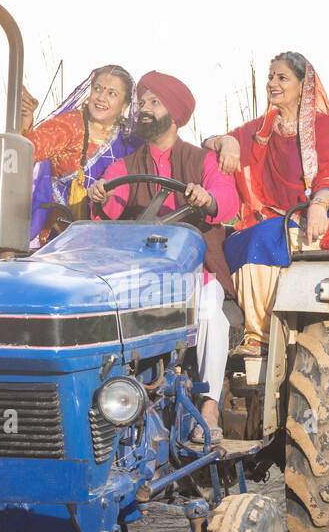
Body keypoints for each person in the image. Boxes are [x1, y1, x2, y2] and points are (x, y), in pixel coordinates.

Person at [90, 71, 238, 445]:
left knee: (208, 310)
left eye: (155, 103)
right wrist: (102, 198)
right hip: (141, 274)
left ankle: (209, 403)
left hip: (194, 272)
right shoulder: (126, 164)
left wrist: (208, 199)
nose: (144, 109)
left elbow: (228, 201)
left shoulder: (202, 160)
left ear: (175, 113)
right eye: (143, 101)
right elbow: (112, 205)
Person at [205, 52, 329, 356]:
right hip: (273, 219)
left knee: (263, 236)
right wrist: (226, 141)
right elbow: (210, 143)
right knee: (230, 244)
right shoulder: (262, 129)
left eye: (282, 77)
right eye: (270, 77)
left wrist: (320, 204)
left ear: (302, 86)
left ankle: (260, 336)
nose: (272, 83)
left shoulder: (321, 127)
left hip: (323, 217)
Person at [0, 64, 137, 257]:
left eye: (112, 93)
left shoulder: (130, 141)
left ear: (124, 105)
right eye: (97, 89)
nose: (101, 97)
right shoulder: (70, 125)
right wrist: (26, 122)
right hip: (57, 236)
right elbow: (25, 152)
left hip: (108, 237)